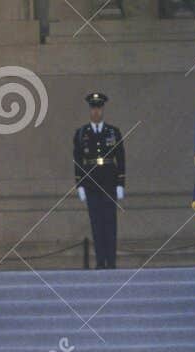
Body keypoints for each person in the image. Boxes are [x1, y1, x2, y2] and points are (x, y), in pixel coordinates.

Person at [73, 92, 125, 269]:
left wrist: (120, 184)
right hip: (91, 184)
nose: (96, 112)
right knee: (96, 223)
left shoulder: (113, 132)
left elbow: (121, 159)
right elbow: (78, 161)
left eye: (99, 108)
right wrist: (79, 185)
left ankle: (111, 261)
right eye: (93, 108)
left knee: (110, 223)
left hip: (109, 182)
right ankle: (100, 261)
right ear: (90, 110)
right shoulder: (81, 133)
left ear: (103, 110)